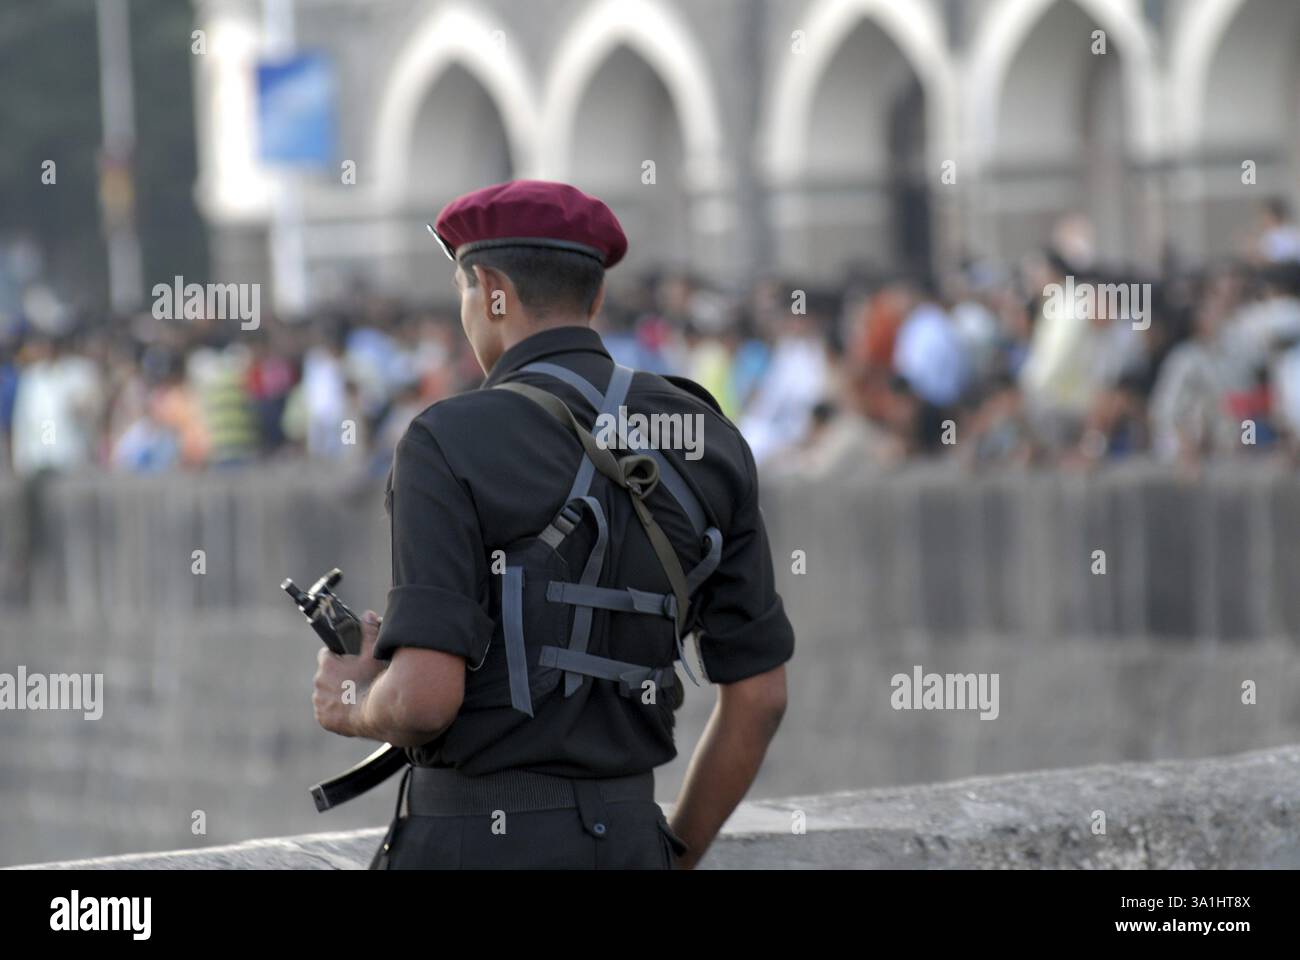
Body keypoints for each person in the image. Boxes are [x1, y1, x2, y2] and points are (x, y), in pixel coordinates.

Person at [311, 180, 794, 869]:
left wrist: (354, 699)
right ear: (594, 297)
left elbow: (423, 701)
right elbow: (760, 698)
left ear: (489, 287)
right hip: (630, 840)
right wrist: (672, 855)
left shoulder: (445, 438)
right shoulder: (707, 435)